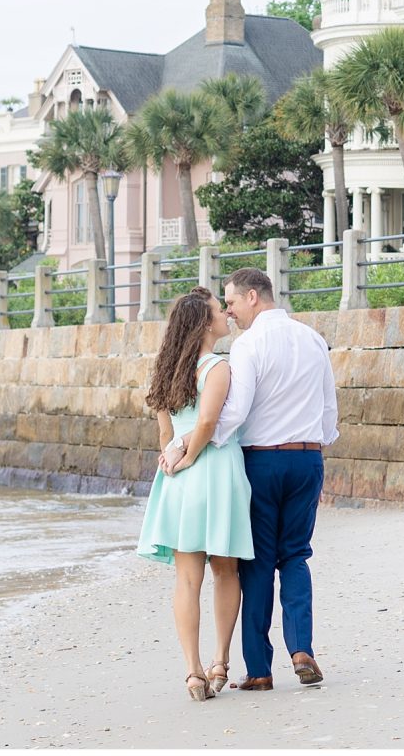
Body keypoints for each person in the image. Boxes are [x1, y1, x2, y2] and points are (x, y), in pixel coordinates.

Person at [199, 266, 338, 692]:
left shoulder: (249, 344)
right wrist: (316, 443)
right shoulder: (313, 338)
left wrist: (201, 441)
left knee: (258, 564)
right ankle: (301, 649)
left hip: (261, 462)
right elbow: (329, 408)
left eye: (233, 301)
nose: (230, 310)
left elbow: (236, 412)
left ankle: (259, 670)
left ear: (253, 297)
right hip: (308, 459)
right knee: (295, 555)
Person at [136, 287, 254, 702]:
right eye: (219, 310)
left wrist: (173, 462)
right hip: (215, 473)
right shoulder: (216, 368)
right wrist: (190, 458)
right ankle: (220, 661)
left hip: (180, 483)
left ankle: (192, 671)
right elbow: (207, 424)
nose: (226, 314)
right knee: (225, 571)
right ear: (205, 324)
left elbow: (167, 435)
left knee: (187, 579)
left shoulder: (167, 371)